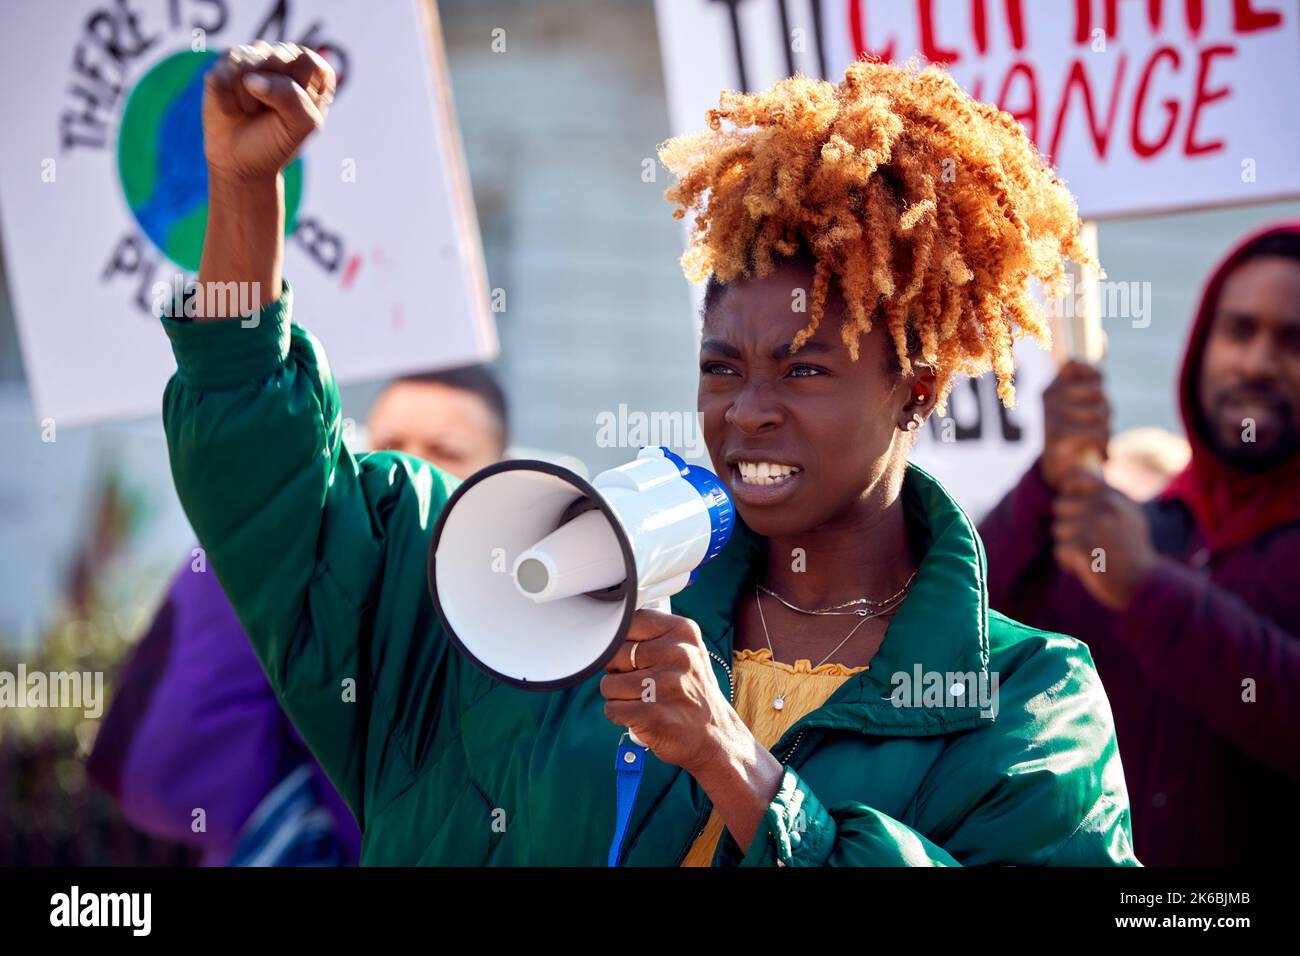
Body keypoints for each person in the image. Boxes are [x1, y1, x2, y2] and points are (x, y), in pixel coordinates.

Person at [159, 41, 1135, 865]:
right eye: (721, 368)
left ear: (915, 388)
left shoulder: (1029, 702)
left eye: (802, 373)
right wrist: (246, 193)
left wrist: (738, 768)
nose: (748, 411)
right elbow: (290, 503)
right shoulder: (557, 595)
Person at [87, 368, 508, 865]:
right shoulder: (315, 569)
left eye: (446, 452)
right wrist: (262, 543)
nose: (410, 469)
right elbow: (165, 779)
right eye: (390, 444)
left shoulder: (544, 631)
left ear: (502, 470)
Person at [980, 223, 1300, 865]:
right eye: (1239, 330)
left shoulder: (1131, 559)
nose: (1258, 363)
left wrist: (1149, 591)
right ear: (1201, 346)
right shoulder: (1133, 533)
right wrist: (1049, 481)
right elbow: (972, 633)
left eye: (1292, 341)